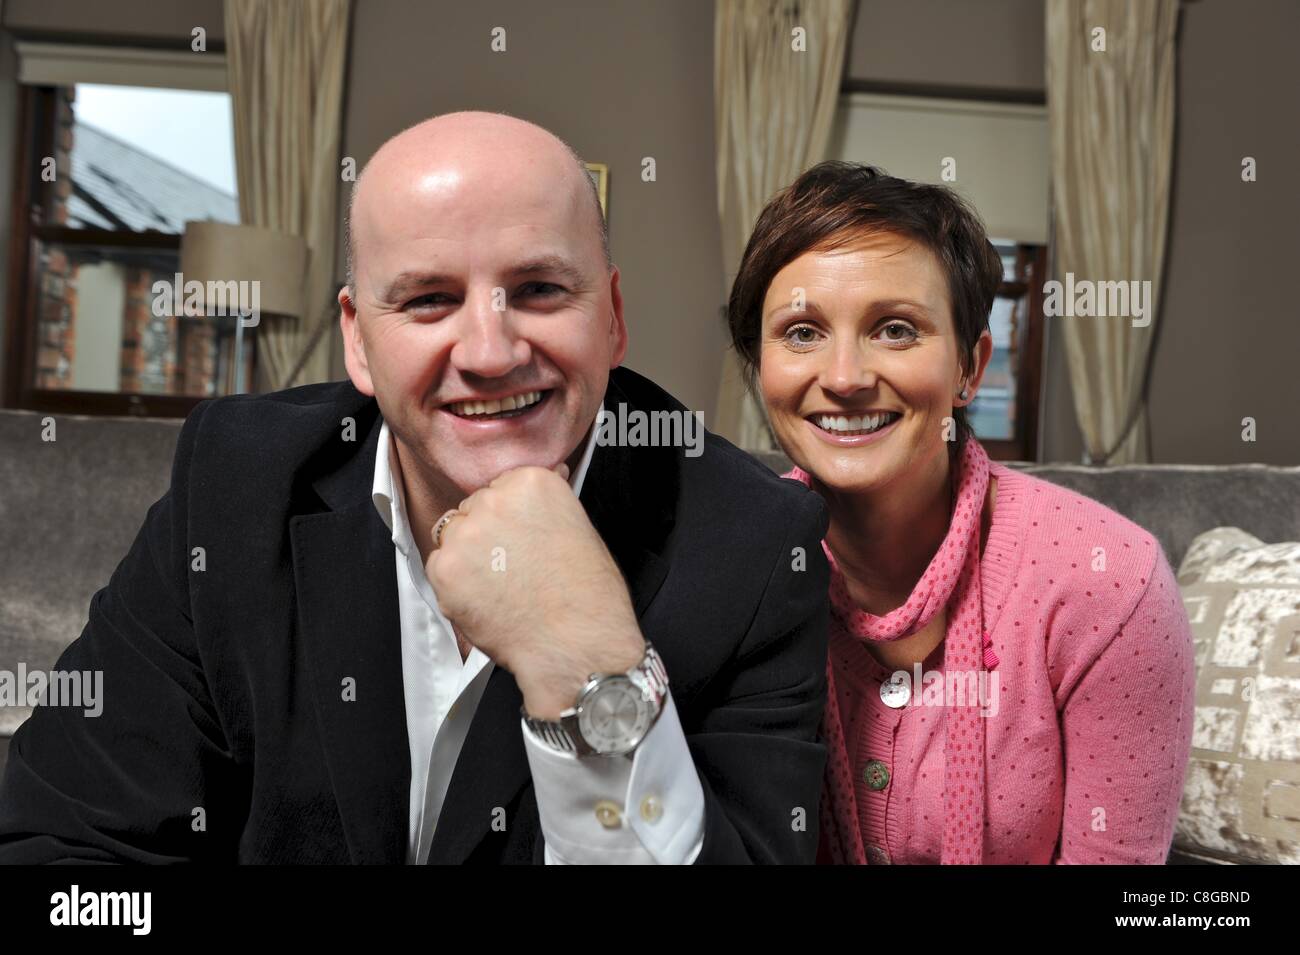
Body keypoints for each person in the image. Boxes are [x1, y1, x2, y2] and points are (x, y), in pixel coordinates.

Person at [0, 112, 830, 864]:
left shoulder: (758, 544)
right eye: (430, 299)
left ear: (611, 317)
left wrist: (591, 675)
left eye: (539, 289)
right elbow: (63, 845)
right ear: (357, 340)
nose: (490, 351)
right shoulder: (233, 478)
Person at [726, 161, 1195, 864]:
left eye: (895, 329)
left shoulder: (1111, 583)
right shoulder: (723, 572)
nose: (846, 376)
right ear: (760, 369)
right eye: (801, 332)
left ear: (970, 368)